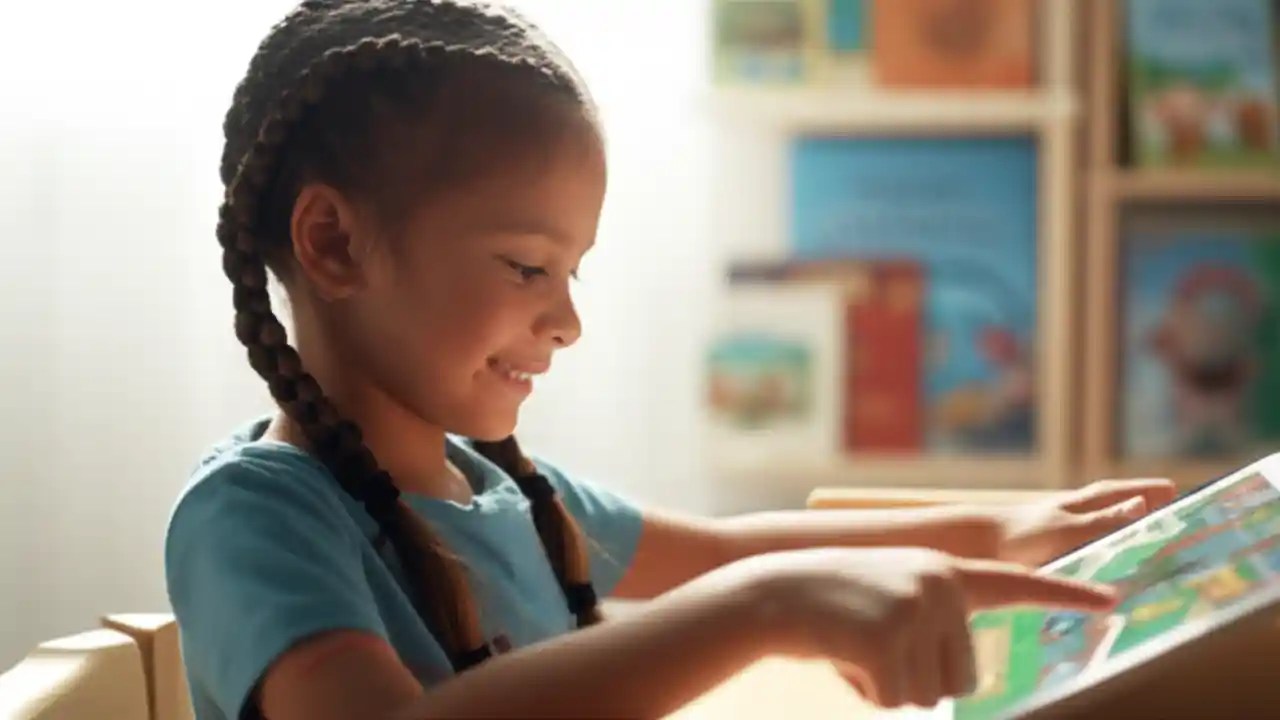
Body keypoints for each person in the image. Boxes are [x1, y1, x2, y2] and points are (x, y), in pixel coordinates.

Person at [164, 2, 1176, 718]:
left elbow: (737, 551)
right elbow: (750, 583)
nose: (565, 320)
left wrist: (1001, 529)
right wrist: (768, 611)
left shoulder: (512, 495)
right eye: (525, 266)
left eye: (573, 273)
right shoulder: (255, 517)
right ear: (333, 244)